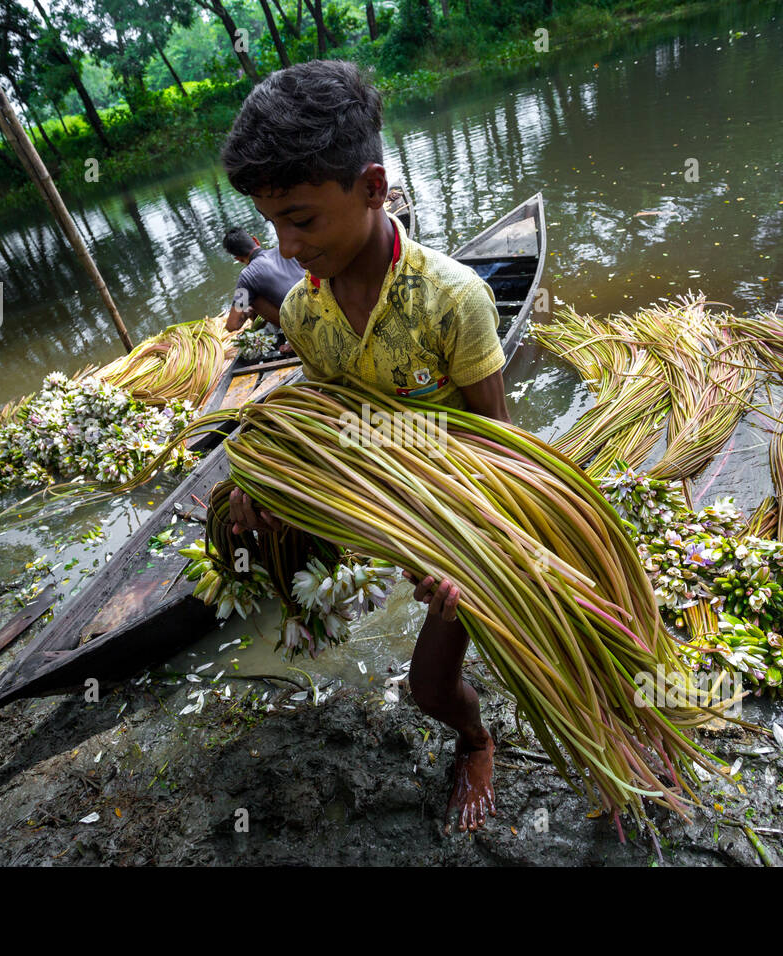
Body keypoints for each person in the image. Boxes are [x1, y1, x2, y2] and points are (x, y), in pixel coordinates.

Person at [220, 60, 510, 834]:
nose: (285, 245)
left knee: (428, 690)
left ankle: (477, 741)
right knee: (245, 518)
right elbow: (326, 411)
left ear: (373, 187)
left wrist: (464, 551)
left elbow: (507, 451)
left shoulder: (454, 300)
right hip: (382, 498)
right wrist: (265, 482)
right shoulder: (306, 317)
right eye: (271, 223)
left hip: (465, 516)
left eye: (302, 220)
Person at [222, 227, 304, 338]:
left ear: (238, 259)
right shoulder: (284, 250)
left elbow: (232, 325)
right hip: (320, 306)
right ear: (256, 240)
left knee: (253, 298)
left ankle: (293, 335)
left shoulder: (247, 276)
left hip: (301, 326)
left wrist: (248, 310)